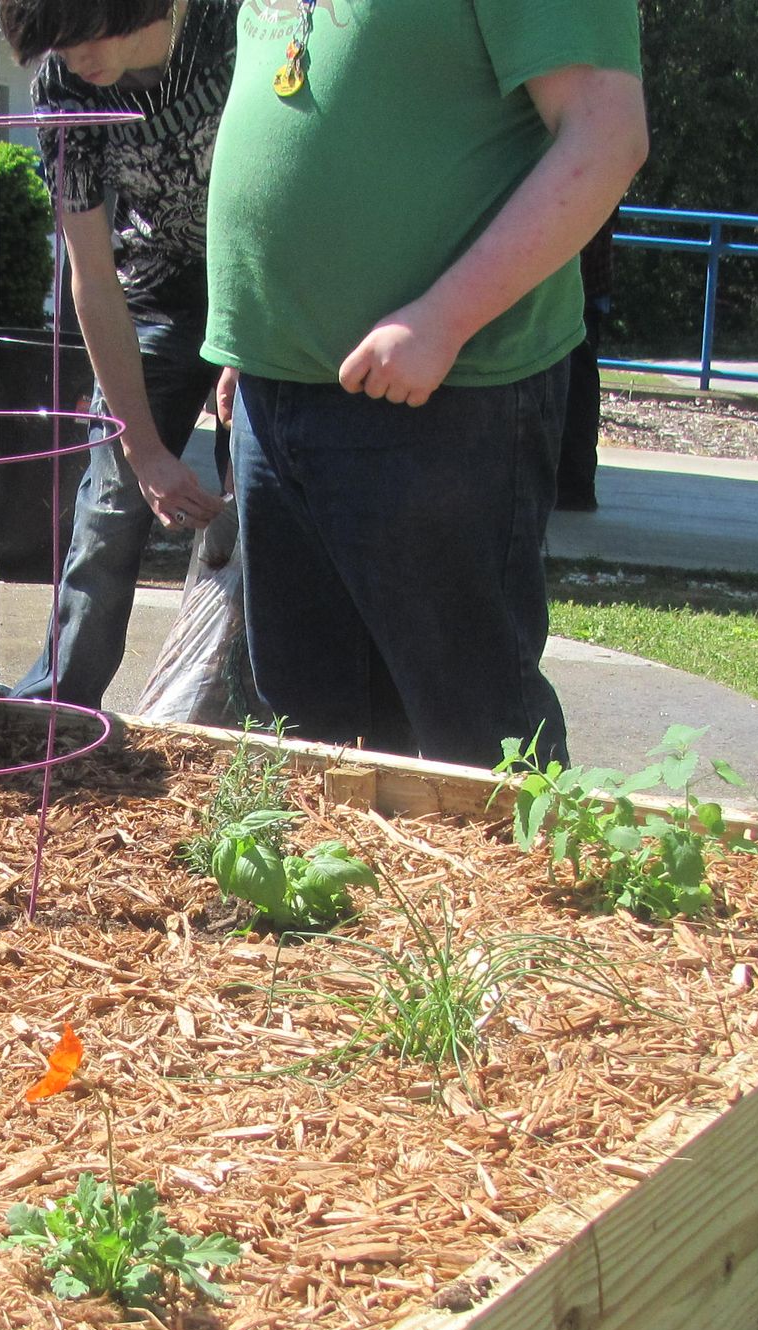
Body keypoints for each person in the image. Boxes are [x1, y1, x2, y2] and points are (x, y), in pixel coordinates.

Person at [204, 0, 648, 766]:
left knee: (476, 740)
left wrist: (444, 317)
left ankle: (529, 890)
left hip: (448, 396)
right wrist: (258, 334)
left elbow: (607, 136)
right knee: (313, 742)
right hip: (276, 391)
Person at [0, 0, 233, 712]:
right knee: (106, 511)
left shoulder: (233, 28)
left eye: (79, 37)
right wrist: (142, 451)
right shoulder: (64, 92)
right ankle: (52, 715)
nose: (73, 61)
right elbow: (92, 278)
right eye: (54, 50)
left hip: (259, 290)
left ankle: (243, 715)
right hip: (149, 294)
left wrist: (252, 337)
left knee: (259, 503)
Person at [556, 216, 616, 511]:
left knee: (575, 385)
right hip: (583, 287)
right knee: (578, 383)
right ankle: (573, 484)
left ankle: (572, 484)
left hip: (572, 288)